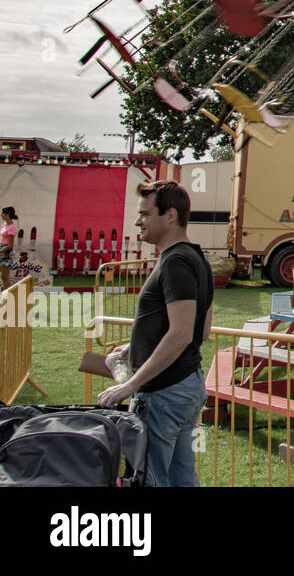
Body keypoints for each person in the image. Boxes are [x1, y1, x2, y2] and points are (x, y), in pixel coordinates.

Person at [97, 181, 213, 487]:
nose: (138, 221)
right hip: (185, 387)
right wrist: (134, 347)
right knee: (182, 478)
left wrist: (130, 384)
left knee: (150, 479)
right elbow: (202, 329)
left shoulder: (175, 262)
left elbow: (182, 334)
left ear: (170, 215)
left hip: (164, 393)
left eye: (145, 214)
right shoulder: (198, 260)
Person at [0, 206, 17, 290]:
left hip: (6, 252)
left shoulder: (12, 227)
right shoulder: (4, 225)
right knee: (2, 276)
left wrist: (0, 251)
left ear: (8, 214)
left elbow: (10, 245)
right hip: (1, 248)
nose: (1, 215)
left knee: (5, 277)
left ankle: (7, 296)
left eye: (3, 213)